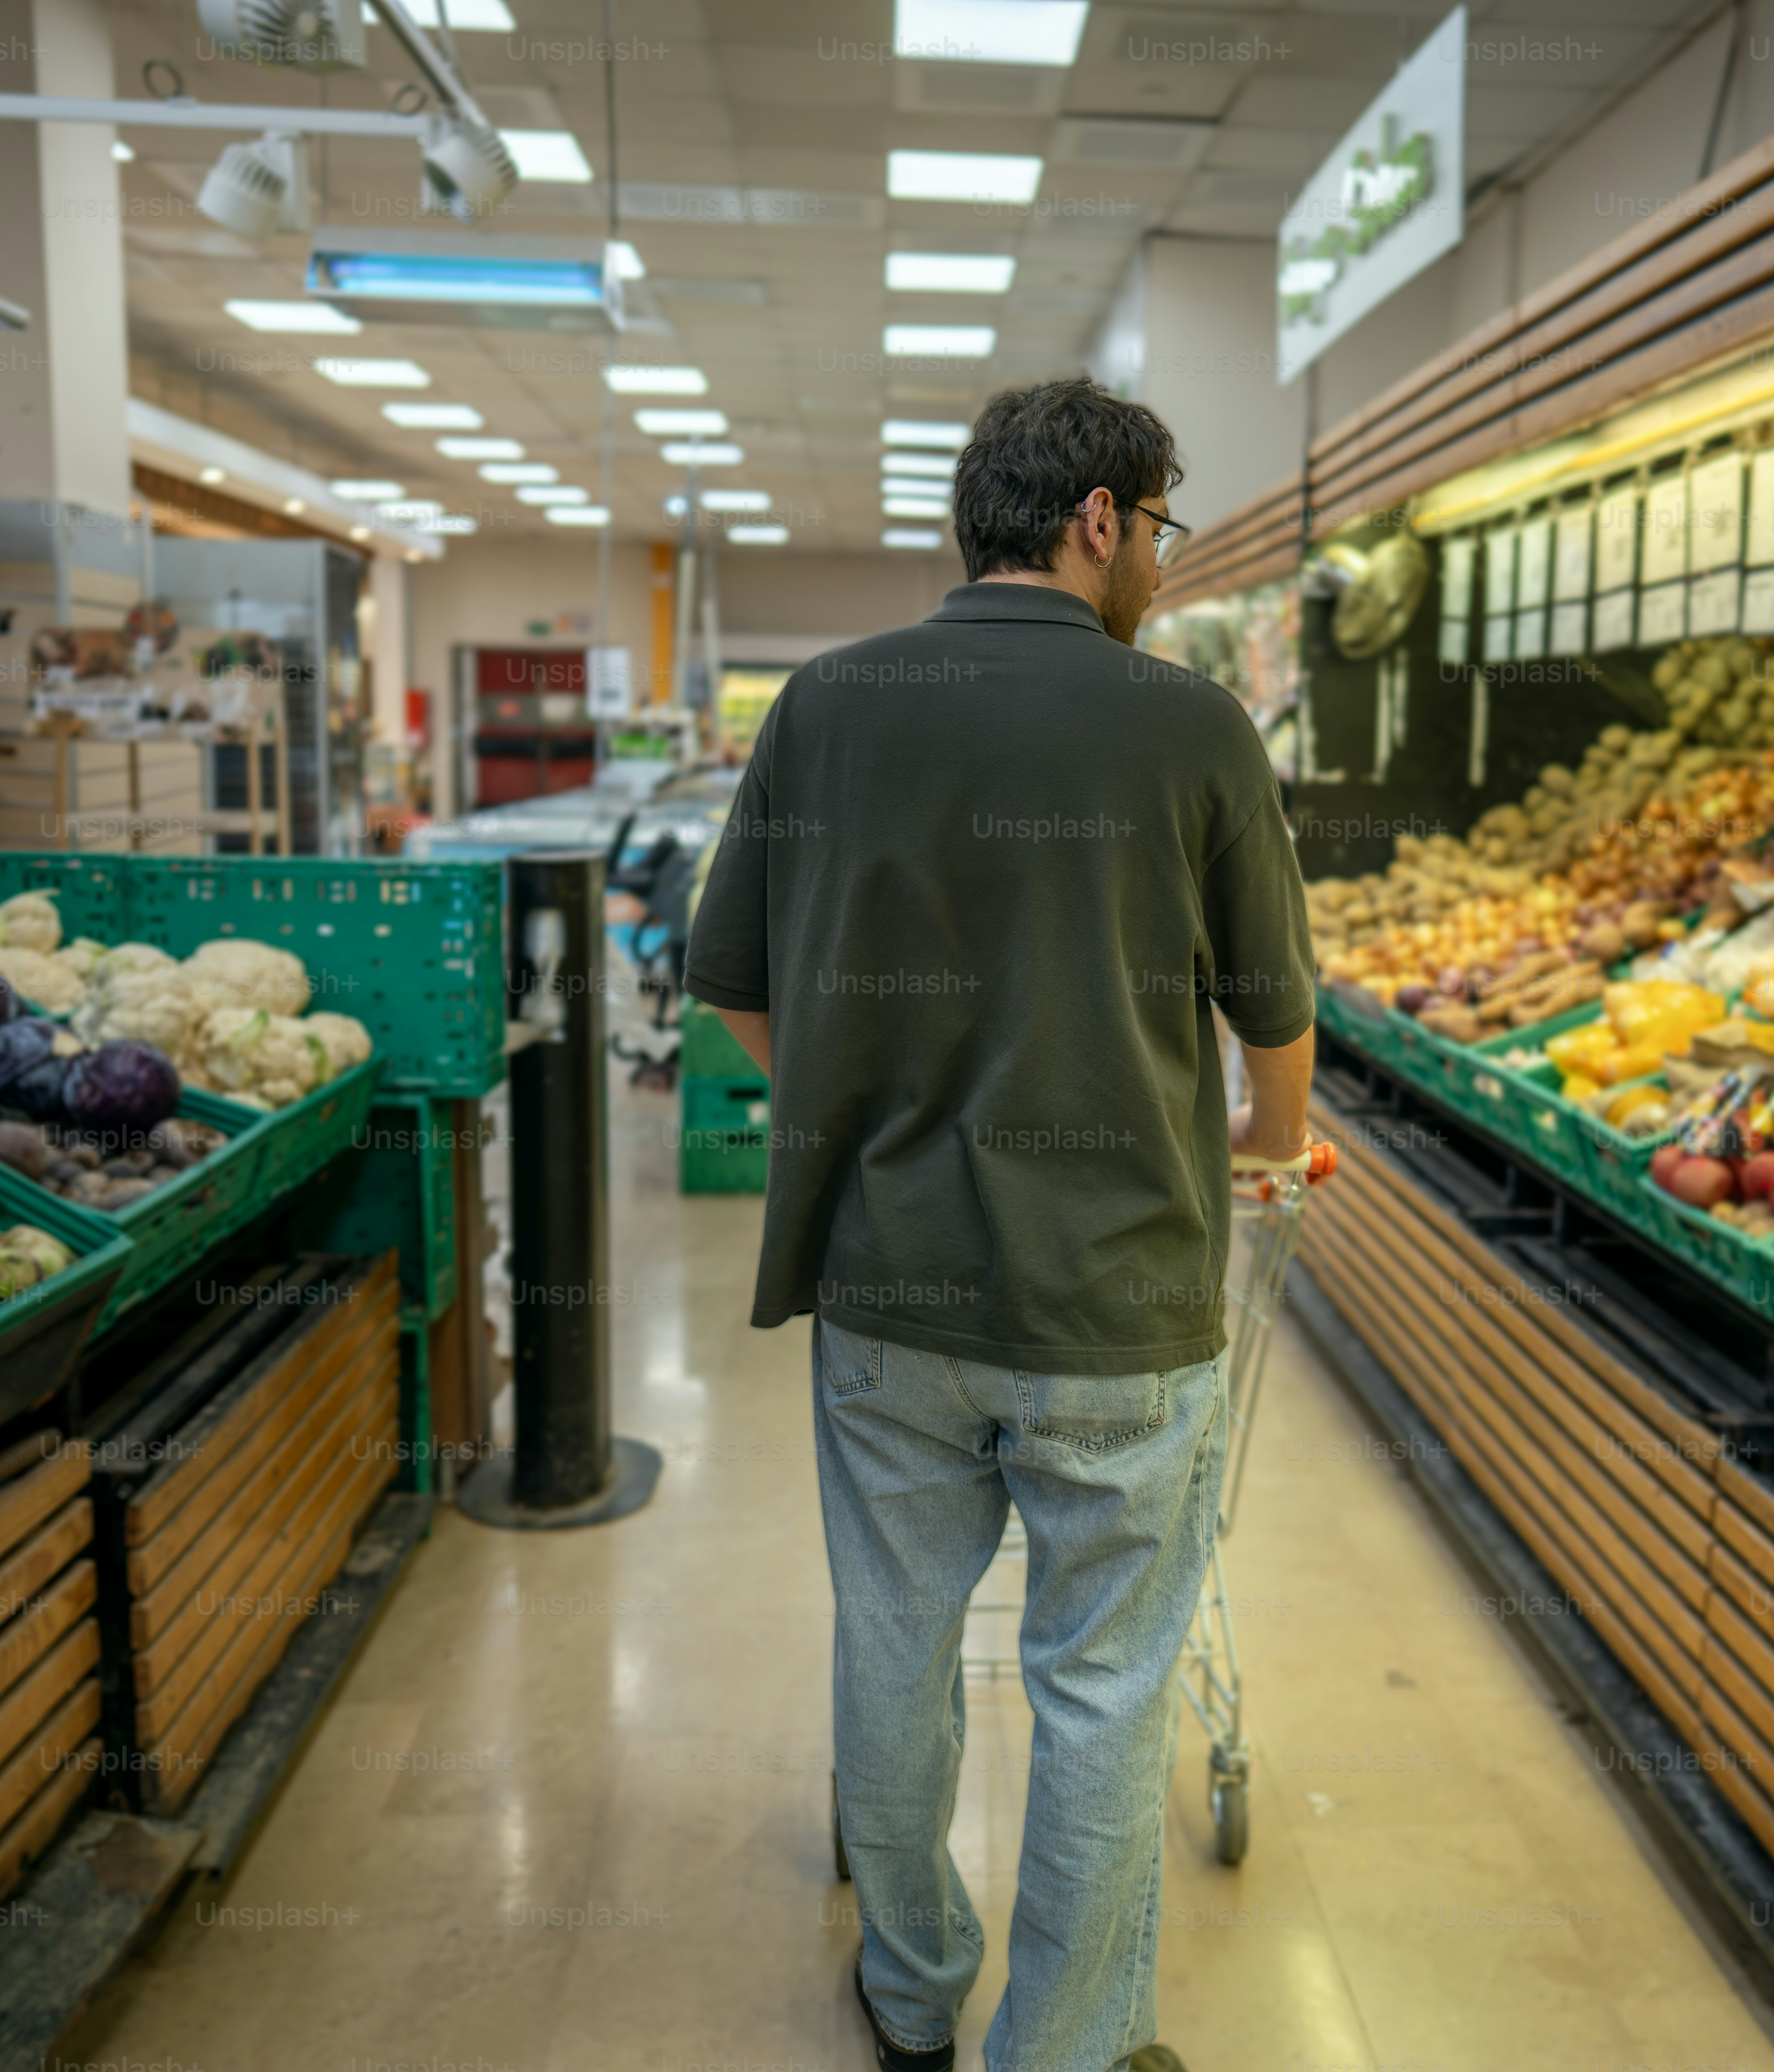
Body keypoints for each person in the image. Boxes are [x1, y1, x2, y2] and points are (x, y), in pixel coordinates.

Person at [681, 375, 1317, 2072]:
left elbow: (724, 976)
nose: (1163, 569)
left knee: (895, 1638)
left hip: (892, 1295)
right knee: (1103, 1686)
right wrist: (1270, 1142)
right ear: (1097, 520)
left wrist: (858, 1089)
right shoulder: (1190, 726)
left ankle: (908, 1996)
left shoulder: (824, 704)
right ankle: (1067, 2044)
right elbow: (1273, 1011)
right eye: (1160, 528)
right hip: (1120, 1304)